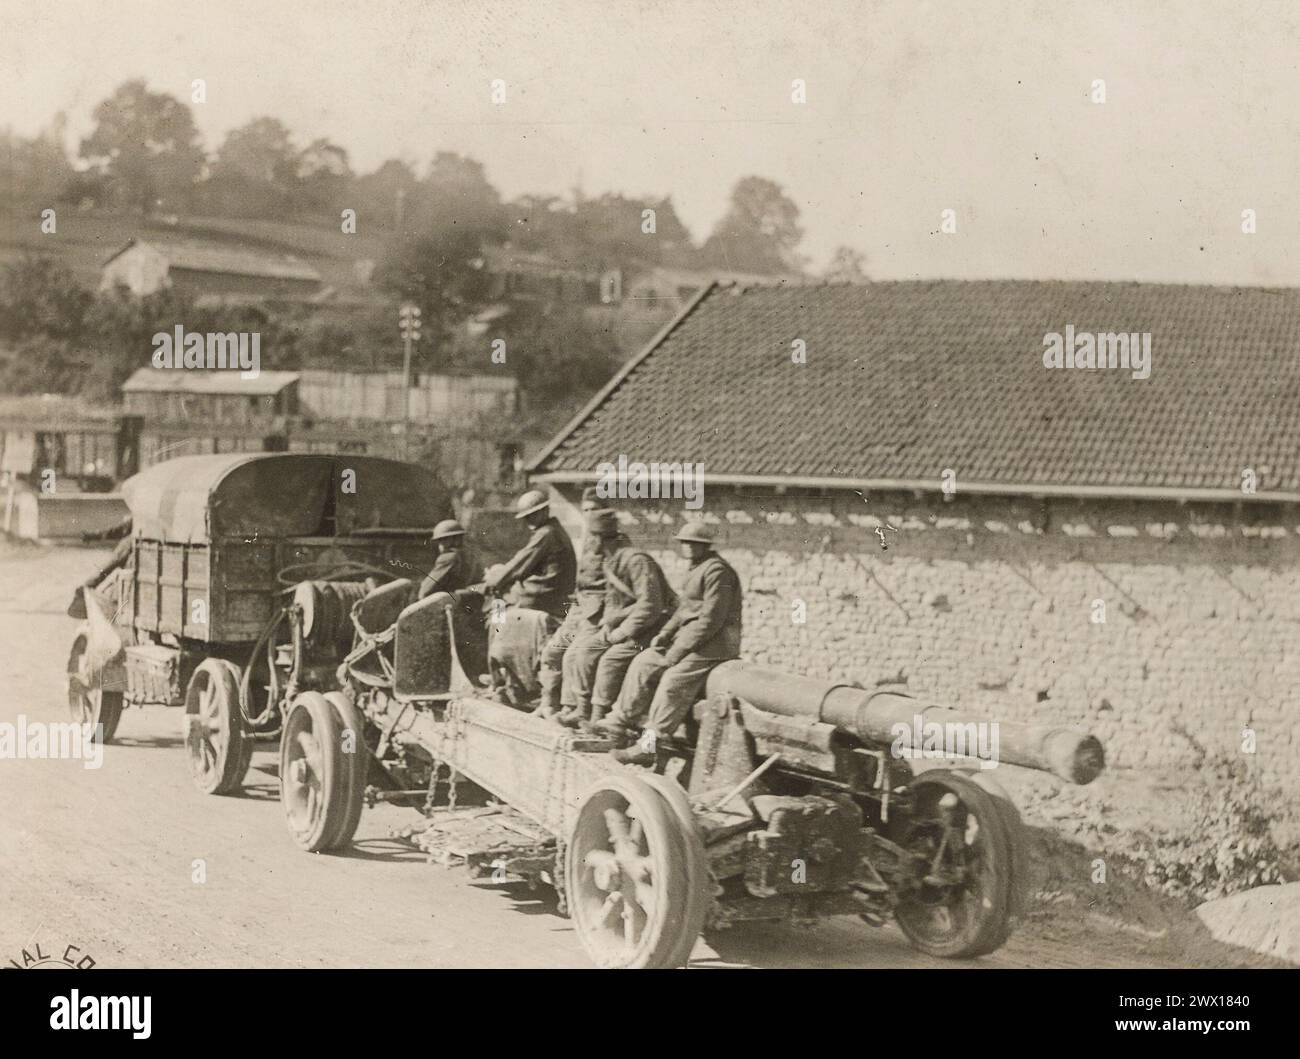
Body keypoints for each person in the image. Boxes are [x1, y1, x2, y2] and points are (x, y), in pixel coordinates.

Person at [596, 521, 742, 765]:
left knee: (673, 682)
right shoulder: (696, 569)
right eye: (684, 542)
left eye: (694, 544)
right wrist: (665, 634)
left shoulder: (718, 571)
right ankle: (619, 723)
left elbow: (710, 621)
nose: (687, 547)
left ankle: (650, 745)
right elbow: (683, 610)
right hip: (691, 640)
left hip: (715, 646)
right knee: (643, 661)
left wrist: (677, 650)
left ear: (705, 546)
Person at [558, 519, 674, 729]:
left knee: (611, 659)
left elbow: (651, 605)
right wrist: (610, 623)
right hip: (625, 625)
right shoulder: (611, 561)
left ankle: (598, 716)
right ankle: (583, 711)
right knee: (584, 652)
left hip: (652, 628)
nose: (589, 543)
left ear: (601, 540)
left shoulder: (637, 561)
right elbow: (618, 601)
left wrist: (622, 631)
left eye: (592, 538)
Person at [484, 489, 577, 705]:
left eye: (532, 515)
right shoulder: (554, 531)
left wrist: (493, 581)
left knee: (497, 607)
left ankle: (499, 676)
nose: (528, 521)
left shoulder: (546, 534)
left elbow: (519, 564)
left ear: (544, 511)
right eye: (526, 517)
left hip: (544, 595)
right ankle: (501, 673)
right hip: (551, 592)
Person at [535, 488, 613, 720]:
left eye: (594, 510)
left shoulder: (613, 543)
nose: (589, 514)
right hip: (579, 609)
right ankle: (547, 703)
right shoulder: (587, 539)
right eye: (586, 510)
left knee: (573, 655)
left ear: (604, 512)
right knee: (552, 650)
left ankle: (571, 709)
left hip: (597, 614)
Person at [418, 519, 482, 598]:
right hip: (466, 599)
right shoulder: (471, 554)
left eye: (442, 540)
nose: (440, 544)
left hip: (448, 601)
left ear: (454, 539)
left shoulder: (448, 557)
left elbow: (425, 590)